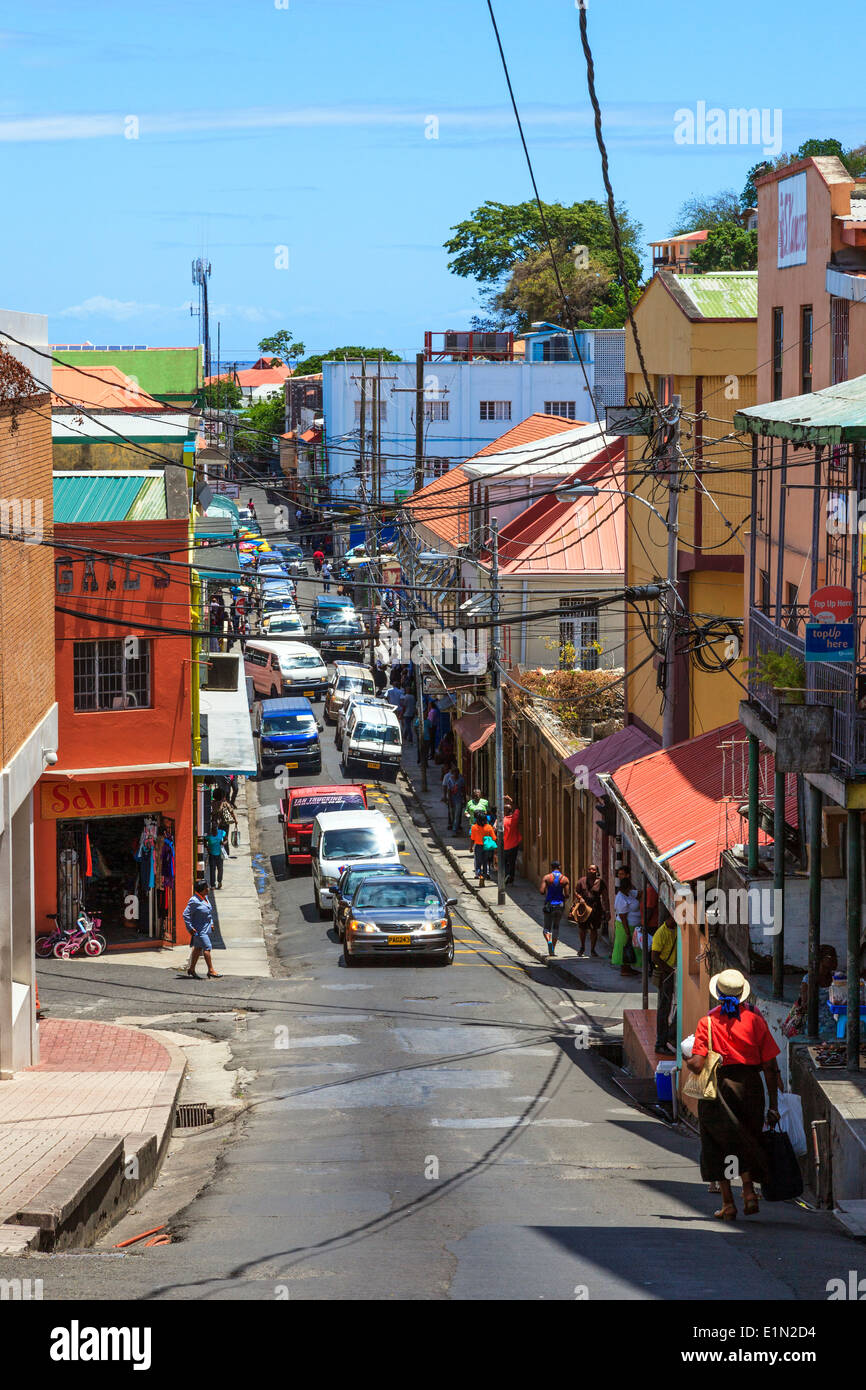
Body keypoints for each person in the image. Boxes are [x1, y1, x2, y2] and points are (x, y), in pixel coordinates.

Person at [687, 969, 780, 1221]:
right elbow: (771, 1067)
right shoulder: (756, 1021)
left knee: (718, 1144)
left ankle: (728, 1203)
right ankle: (749, 1192)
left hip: (718, 1088)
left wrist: (688, 1059)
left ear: (718, 994)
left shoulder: (707, 1022)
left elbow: (697, 1064)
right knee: (747, 1137)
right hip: (750, 1088)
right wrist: (773, 1105)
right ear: (742, 995)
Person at [182, 880, 222, 979]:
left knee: (198, 948)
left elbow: (208, 912)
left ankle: (191, 969)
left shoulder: (205, 898)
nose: (208, 889)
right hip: (198, 930)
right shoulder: (194, 901)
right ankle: (211, 970)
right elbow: (185, 914)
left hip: (205, 928)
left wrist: (211, 923)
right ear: (202, 890)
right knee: (207, 947)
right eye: (206, 888)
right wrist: (190, 928)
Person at [651, 915, 678, 1054]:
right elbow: (654, 957)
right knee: (664, 1009)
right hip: (665, 975)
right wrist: (671, 970)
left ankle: (668, 1039)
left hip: (671, 973)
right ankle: (660, 1044)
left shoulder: (677, 930)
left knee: (670, 1008)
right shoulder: (661, 933)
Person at [573, 863, 609, 958]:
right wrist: (580, 898)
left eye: (593, 869)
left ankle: (593, 950)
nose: (591, 871)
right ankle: (582, 947)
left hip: (596, 908)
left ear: (597, 872)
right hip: (584, 908)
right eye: (589, 869)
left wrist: (607, 911)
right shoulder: (582, 881)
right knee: (582, 928)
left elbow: (605, 897)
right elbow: (576, 891)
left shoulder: (600, 883)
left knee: (594, 929)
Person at [612, 873, 641, 978]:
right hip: (625, 926)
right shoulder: (620, 898)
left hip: (633, 925)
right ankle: (624, 969)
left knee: (632, 947)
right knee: (625, 946)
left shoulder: (630, 893)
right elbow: (623, 917)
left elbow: (640, 894)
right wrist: (627, 932)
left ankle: (629, 968)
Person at [539, 861, 570, 957]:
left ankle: (548, 941)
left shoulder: (547, 878)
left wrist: (548, 892)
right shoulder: (564, 879)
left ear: (551, 867)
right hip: (560, 905)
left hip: (549, 904)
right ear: (560, 867)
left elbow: (541, 891)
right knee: (556, 927)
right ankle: (553, 950)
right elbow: (567, 895)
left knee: (546, 928)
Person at [470, 807, 495, 888]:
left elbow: (472, 839)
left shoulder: (474, 827)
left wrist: (471, 847)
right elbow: (494, 838)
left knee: (478, 862)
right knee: (485, 862)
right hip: (486, 846)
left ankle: (479, 875)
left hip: (478, 846)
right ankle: (484, 875)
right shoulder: (489, 827)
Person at [502, 798, 522, 884]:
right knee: (512, 862)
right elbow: (518, 808)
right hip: (515, 844)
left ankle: (507, 875)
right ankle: (511, 877)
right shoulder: (515, 818)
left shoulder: (503, 821)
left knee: (505, 862)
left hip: (506, 845)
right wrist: (511, 801)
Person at [212, 790, 238, 855]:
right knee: (225, 837)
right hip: (225, 823)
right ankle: (226, 852)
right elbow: (231, 812)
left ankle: (218, 850)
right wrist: (235, 820)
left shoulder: (212, 803)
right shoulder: (225, 803)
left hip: (216, 823)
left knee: (217, 836)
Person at [447, 765, 466, 835]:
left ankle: (455, 830)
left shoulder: (461, 780)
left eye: (457, 773)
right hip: (452, 799)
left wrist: (464, 799)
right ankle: (455, 827)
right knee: (453, 815)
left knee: (457, 815)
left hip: (459, 800)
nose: (455, 774)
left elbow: (463, 790)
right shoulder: (450, 780)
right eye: (454, 773)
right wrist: (449, 800)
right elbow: (448, 791)